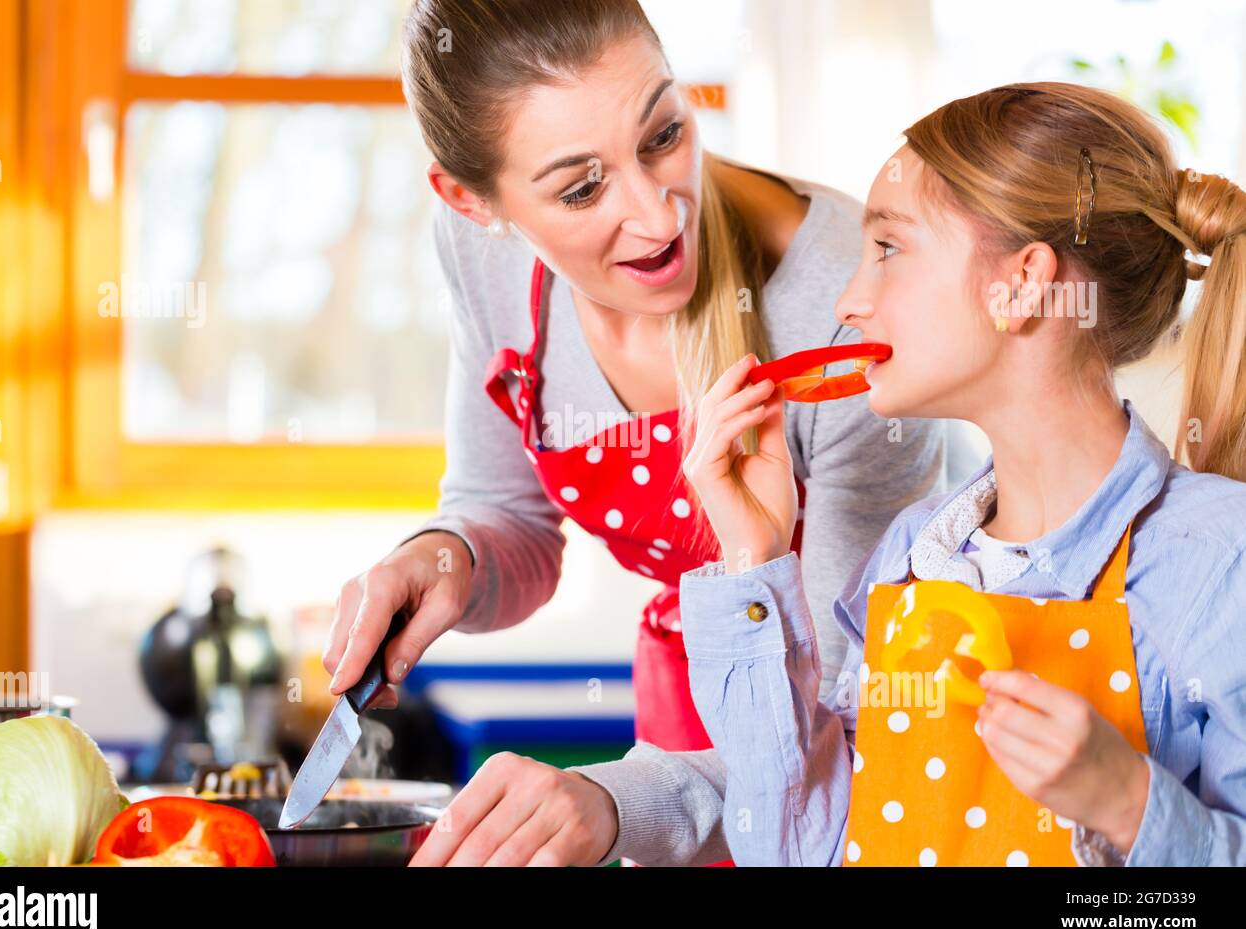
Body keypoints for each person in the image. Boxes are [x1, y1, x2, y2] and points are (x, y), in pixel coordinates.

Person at [411, 80, 1246, 867]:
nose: (848, 299)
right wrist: (754, 555)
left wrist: (1130, 804)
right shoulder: (915, 558)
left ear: (1021, 286)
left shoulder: (1220, 557)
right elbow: (800, 844)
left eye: (887, 247)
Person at [323, 0, 970, 778]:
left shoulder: (841, 299)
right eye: (581, 190)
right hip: (687, 705)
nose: (660, 218)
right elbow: (512, 525)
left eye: (664, 136)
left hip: (884, 729)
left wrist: (624, 805)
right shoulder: (482, 255)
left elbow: (852, 699)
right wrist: (442, 559)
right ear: (472, 200)